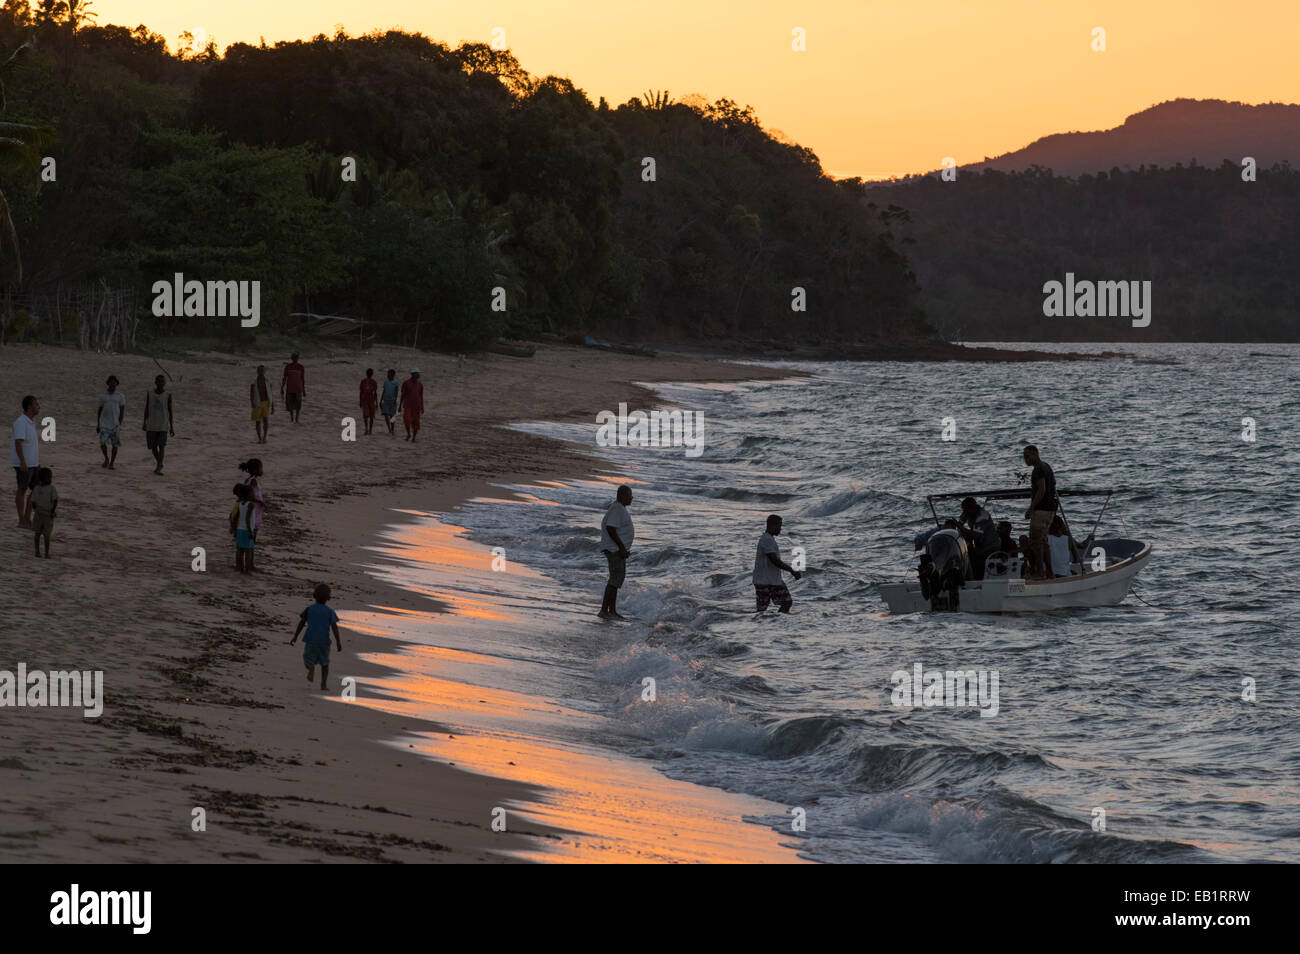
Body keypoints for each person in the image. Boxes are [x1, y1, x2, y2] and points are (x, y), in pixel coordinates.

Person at [290, 583, 342, 690]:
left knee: (308, 658)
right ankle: (323, 684)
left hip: (311, 640)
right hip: (324, 642)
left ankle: (311, 668)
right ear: (328, 598)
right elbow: (334, 627)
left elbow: (301, 623)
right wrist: (338, 642)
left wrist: (295, 636)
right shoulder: (329, 611)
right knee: (325, 663)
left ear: (314, 596)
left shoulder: (309, 609)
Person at [1022, 445, 1058, 579]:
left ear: (1035, 453)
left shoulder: (1038, 469)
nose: (1026, 459)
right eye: (1024, 457)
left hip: (1041, 510)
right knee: (1043, 542)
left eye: (1028, 456)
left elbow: (1041, 490)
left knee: (1036, 543)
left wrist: (1031, 508)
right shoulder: (1046, 466)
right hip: (1050, 510)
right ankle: (1049, 572)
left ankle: (1040, 573)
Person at [598, 485, 634, 619]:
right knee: (614, 580)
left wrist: (623, 548)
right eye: (630, 495)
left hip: (616, 549)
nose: (632, 498)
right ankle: (605, 611)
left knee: (616, 579)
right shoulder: (617, 508)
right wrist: (622, 547)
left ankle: (611, 611)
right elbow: (611, 528)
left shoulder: (618, 508)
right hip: (615, 550)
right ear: (622, 496)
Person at [754, 514, 802, 613]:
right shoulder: (767, 540)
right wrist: (791, 570)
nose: (780, 529)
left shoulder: (769, 539)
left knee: (786, 602)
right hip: (765, 581)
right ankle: (766, 625)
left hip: (772, 580)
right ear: (772, 525)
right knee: (762, 610)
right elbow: (774, 560)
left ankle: (776, 624)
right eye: (779, 526)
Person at [11, 395, 40, 528]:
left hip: (33, 463)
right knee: (22, 489)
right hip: (24, 464)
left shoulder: (30, 422)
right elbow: (18, 443)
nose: (38, 407)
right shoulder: (21, 422)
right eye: (36, 404)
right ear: (29, 407)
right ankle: (21, 519)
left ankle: (28, 518)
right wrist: (22, 462)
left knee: (36, 490)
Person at [957, 496, 1000, 580]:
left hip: (990, 546)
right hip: (979, 546)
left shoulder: (983, 516)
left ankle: (981, 580)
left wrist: (961, 528)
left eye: (966, 510)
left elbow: (976, 535)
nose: (964, 512)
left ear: (972, 507)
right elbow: (960, 523)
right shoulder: (967, 513)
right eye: (963, 510)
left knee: (980, 565)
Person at [143, 375, 175, 475]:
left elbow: (170, 411)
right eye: (159, 381)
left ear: (164, 383)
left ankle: (159, 466)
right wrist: (144, 422)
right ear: (155, 382)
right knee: (152, 446)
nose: (160, 383)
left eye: (162, 381)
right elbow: (146, 407)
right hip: (152, 424)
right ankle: (159, 462)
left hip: (163, 424)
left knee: (161, 446)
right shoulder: (150, 393)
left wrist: (171, 426)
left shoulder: (168, 395)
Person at [96, 375, 125, 469]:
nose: (113, 384)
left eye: (114, 382)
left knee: (115, 444)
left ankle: (112, 462)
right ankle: (106, 458)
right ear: (108, 383)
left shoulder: (120, 396)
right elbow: (100, 410)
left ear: (117, 383)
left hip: (115, 424)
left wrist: (120, 422)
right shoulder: (103, 396)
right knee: (102, 442)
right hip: (104, 423)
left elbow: (122, 410)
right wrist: (98, 423)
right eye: (111, 382)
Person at [238, 459, 266, 548]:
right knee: (254, 524)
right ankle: (252, 542)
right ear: (255, 470)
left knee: (251, 523)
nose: (262, 471)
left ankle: (250, 542)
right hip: (255, 506)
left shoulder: (247, 480)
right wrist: (260, 501)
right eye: (261, 469)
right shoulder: (254, 481)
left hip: (251, 505)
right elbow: (251, 493)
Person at [30, 467, 56, 558]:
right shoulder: (52, 488)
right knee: (46, 535)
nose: (50, 479)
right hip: (48, 514)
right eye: (50, 477)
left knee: (37, 533)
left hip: (38, 513)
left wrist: (35, 509)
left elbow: (33, 501)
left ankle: (37, 551)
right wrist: (53, 512)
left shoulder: (36, 488)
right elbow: (55, 501)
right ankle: (46, 553)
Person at [233, 484, 255, 573]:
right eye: (252, 493)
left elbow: (236, 517)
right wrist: (250, 531)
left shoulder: (240, 504)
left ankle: (239, 567)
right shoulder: (251, 505)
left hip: (239, 529)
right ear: (248, 494)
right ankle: (247, 569)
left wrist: (234, 529)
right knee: (248, 551)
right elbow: (247, 519)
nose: (253, 495)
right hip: (247, 530)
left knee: (239, 550)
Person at [398, 368, 424, 442]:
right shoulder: (406, 383)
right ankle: (409, 434)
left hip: (417, 406)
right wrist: (400, 406)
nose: (419, 375)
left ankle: (414, 438)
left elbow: (421, 396)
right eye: (417, 373)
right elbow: (402, 395)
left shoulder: (420, 385)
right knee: (407, 421)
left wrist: (422, 407)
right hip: (408, 406)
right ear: (413, 374)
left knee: (416, 422)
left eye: (419, 373)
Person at [280, 352, 305, 424]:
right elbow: (284, 378)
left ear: (298, 358)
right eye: (294, 358)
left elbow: (302, 379)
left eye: (296, 358)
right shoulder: (288, 367)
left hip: (298, 389)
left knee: (298, 405)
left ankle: (296, 418)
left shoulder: (301, 367)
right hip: (290, 389)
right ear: (292, 358)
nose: (295, 359)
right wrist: (282, 387)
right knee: (289, 405)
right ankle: (292, 418)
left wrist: (304, 390)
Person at [250, 365, 273, 443]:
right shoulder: (254, 381)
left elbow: (271, 393)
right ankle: (259, 438)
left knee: (266, 420)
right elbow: (251, 393)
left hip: (266, 402)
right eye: (259, 370)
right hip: (257, 402)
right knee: (258, 421)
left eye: (262, 371)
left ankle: (265, 437)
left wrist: (273, 406)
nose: (261, 372)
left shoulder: (268, 381)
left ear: (264, 371)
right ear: (257, 371)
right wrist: (252, 402)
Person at [379, 369, 399, 436]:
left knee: (392, 416)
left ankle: (392, 429)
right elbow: (384, 391)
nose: (388, 375)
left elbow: (396, 393)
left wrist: (395, 400)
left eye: (389, 374)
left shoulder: (395, 383)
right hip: (386, 400)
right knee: (385, 414)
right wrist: (381, 400)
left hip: (392, 401)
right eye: (388, 374)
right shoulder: (386, 382)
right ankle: (389, 429)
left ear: (393, 375)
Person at [359, 368, 378, 435]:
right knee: (367, 416)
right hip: (366, 401)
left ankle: (369, 429)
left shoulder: (373, 382)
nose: (369, 374)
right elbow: (361, 392)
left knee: (370, 416)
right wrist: (360, 401)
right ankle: (368, 429)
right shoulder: (364, 381)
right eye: (369, 373)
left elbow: (375, 393)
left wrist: (377, 403)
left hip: (370, 401)